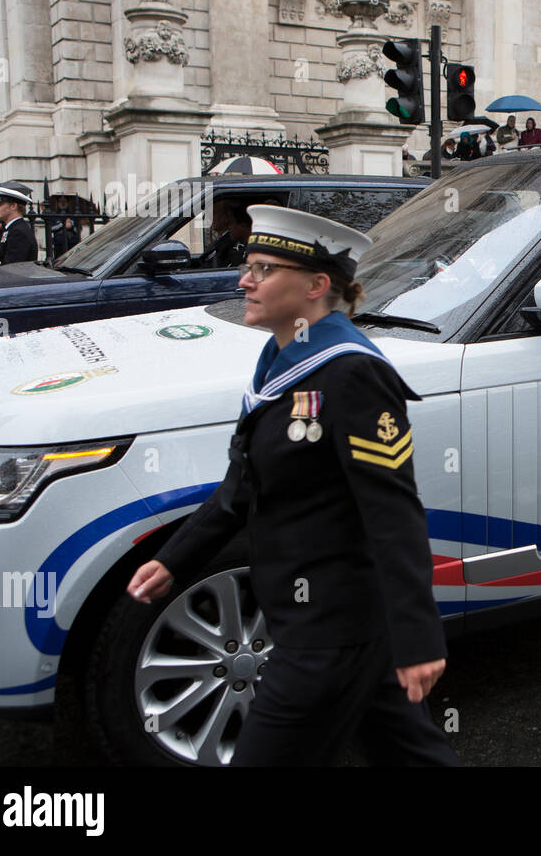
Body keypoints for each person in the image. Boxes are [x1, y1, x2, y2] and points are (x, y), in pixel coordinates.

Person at [127, 205, 458, 767]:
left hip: (330, 626)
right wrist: (174, 559)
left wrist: (419, 637)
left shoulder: (352, 373)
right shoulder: (279, 360)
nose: (243, 281)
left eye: (262, 269)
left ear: (315, 286)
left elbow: (393, 514)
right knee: (410, 755)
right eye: (247, 266)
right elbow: (242, 486)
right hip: (318, 617)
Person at [0, 181, 37, 265]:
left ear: (13, 206)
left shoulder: (18, 232)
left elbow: (12, 267)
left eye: (0, 204)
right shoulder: (11, 229)